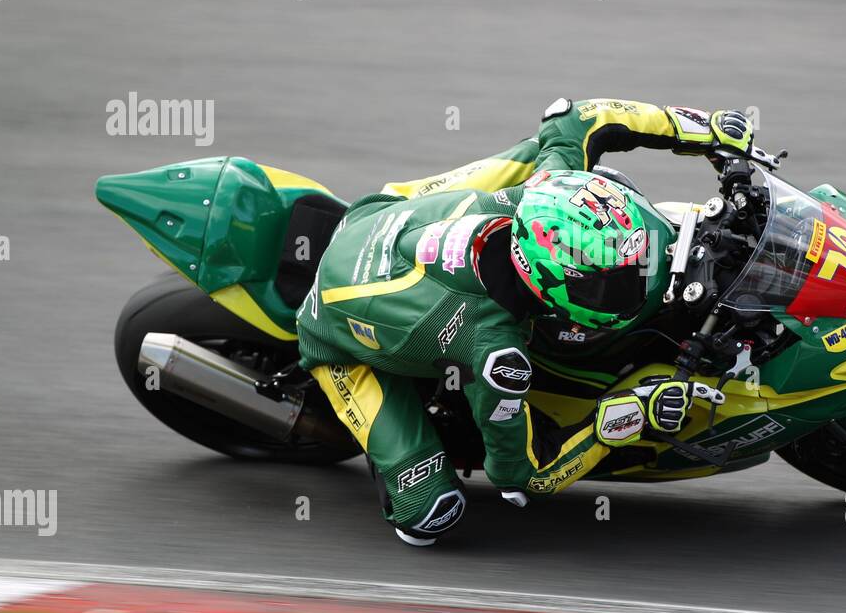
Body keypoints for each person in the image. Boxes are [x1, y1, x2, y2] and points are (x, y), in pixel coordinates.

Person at [295, 99, 753, 545]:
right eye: (609, 283)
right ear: (550, 283)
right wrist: (628, 414)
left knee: (544, 141)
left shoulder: (548, 186)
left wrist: (704, 130)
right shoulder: (496, 350)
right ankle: (414, 422)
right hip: (330, 326)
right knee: (429, 514)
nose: (637, 281)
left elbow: (579, 117)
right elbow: (523, 476)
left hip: (382, 212)